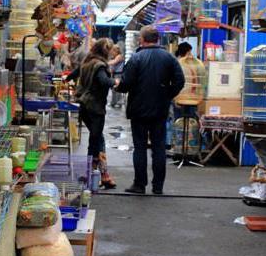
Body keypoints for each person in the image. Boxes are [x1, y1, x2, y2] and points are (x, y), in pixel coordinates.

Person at [115, 26, 185, 195]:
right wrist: (167, 94)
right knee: (159, 148)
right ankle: (158, 186)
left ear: (142, 39)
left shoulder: (136, 58)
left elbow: (126, 84)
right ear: (157, 39)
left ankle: (139, 184)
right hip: (160, 109)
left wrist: (119, 85)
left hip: (138, 110)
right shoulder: (169, 58)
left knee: (139, 147)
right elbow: (180, 81)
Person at [65, 38, 118, 189]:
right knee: (96, 140)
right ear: (105, 51)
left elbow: (73, 74)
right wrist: (115, 82)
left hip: (83, 104)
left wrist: (66, 79)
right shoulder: (100, 65)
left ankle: (97, 173)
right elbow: (103, 81)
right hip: (95, 106)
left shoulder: (88, 61)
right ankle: (95, 173)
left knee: (97, 138)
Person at [108, 43, 125, 108]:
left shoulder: (119, 56)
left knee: (117, 88)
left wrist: (105, 62)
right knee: (114, 89)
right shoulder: (114, 57)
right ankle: (113, 102)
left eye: (113, 51)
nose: (112, 52)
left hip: (118, 74)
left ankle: (118, 102)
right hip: (115, 74)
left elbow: (114, 62)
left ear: (116, 51)